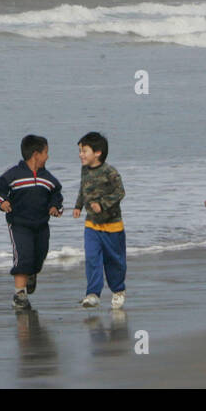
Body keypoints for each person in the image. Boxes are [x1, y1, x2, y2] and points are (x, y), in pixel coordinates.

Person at [0, 134, 64, 310]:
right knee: (23, 256)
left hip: (41, 224)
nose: (47, 156)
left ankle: (33, 272)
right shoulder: (14, 174)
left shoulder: (48, 178)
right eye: (46, 153)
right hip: (19, 224)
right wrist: (3, 202)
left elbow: (57, 195)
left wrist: (55, 207)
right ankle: (19, 295)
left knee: (40, 255)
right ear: (36, 154)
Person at [71, 131, 127, 309]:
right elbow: (83, 189)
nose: (81, 155)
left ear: (98, 153)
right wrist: (78, 206)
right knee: (92, 258)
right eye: (80, 151)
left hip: (113, 226)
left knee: (114, 262)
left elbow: (120, 192)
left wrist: (102, 204)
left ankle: (118, 290)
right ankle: (93, 293)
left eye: (84, 151)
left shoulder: (110, 172)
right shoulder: (84, 170)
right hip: (92, 225)